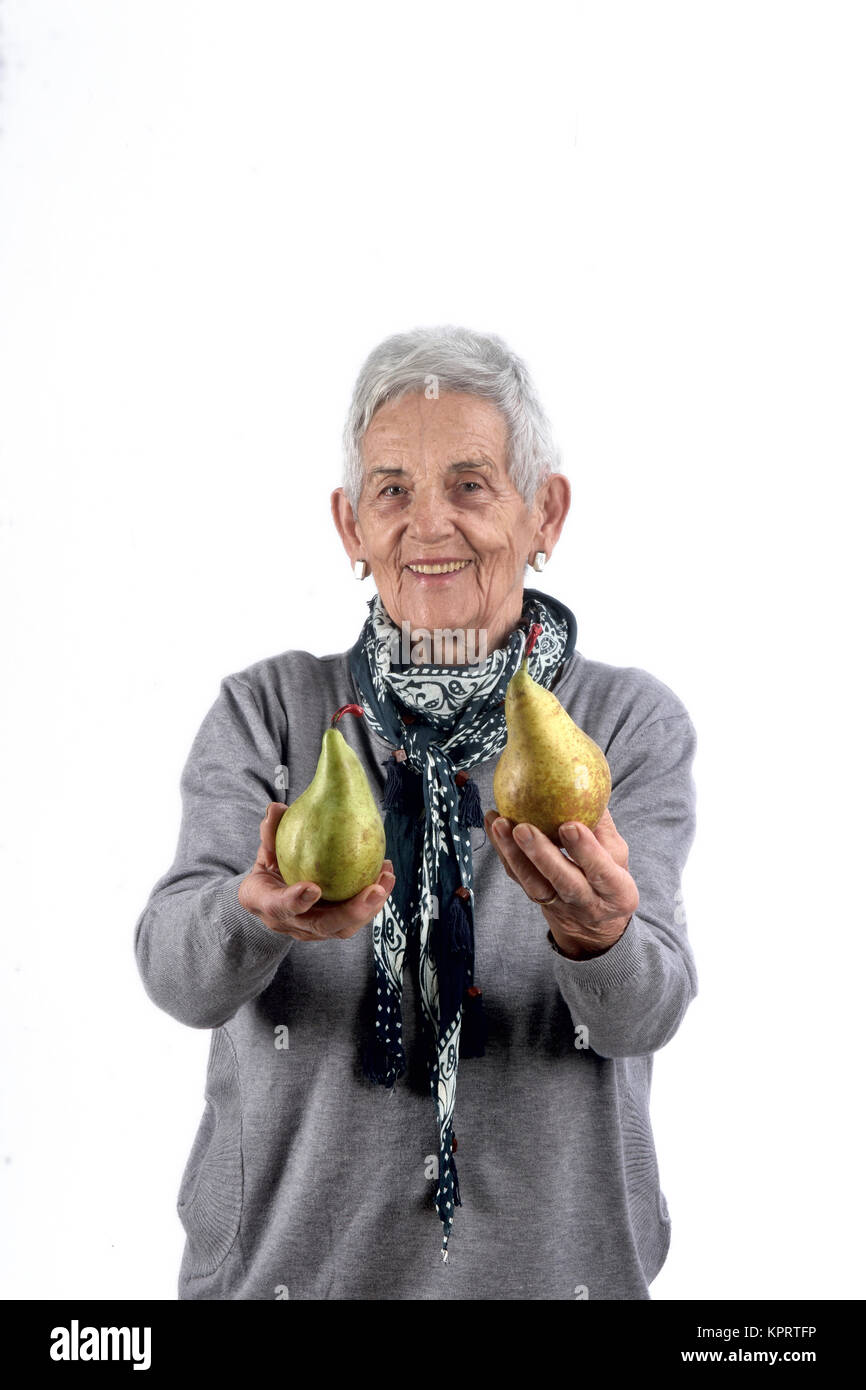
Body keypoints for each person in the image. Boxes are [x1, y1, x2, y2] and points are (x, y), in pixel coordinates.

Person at [134, 325, 698, 1300]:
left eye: (470, 485)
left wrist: (600, 939)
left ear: (544, 514)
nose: (427, 524)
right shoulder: (269, 713)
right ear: (351, 528)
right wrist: (247, 913)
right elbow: (177, 976)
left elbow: (644, 1009)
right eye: (391, 490)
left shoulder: (622, 725)